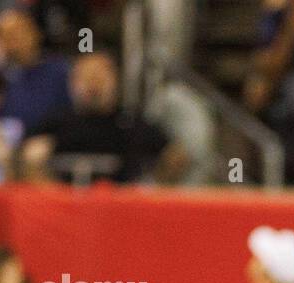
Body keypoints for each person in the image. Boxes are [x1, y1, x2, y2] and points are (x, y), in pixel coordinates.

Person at [21, 52, 185, 184]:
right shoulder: (56, 122)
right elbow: (21, 161)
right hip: (63, 209)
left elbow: (175, 156)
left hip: (121, 209)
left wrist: (155, 186)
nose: (94, 86)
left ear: (115, 81)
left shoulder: (130, 123)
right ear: (73, 83)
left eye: (99, 78)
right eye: (87, 78)